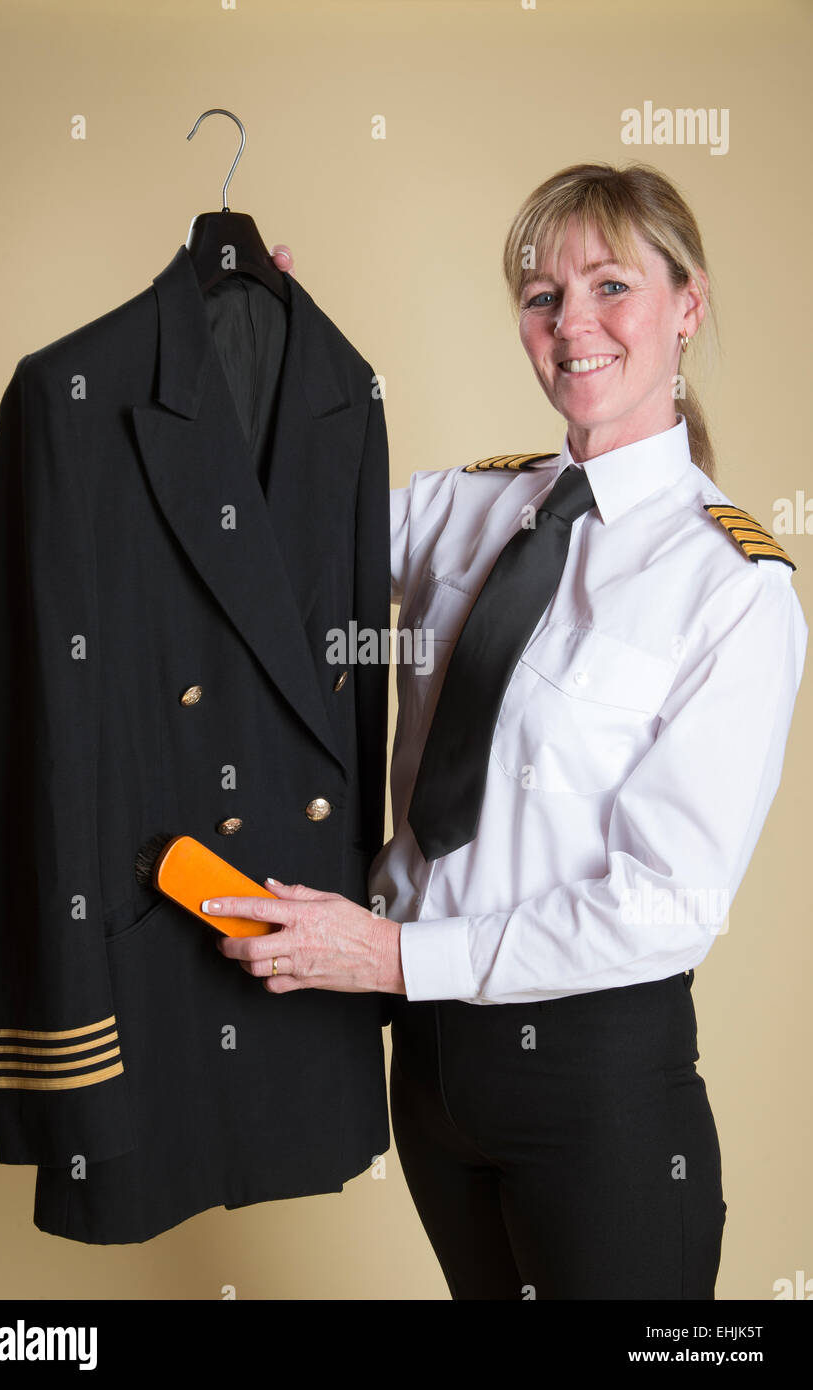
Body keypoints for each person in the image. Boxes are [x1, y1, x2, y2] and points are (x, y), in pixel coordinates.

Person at [202, 163, 807, 1299]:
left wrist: (389, 954)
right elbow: (274, 538)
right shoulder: (469, 508)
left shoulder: (732, 588)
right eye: (542, 296)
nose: (572, 324)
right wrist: (256, 350)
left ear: (688, 305)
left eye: (611, 285)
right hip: (428, 1071)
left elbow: (665, 901)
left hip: (599, 1093)